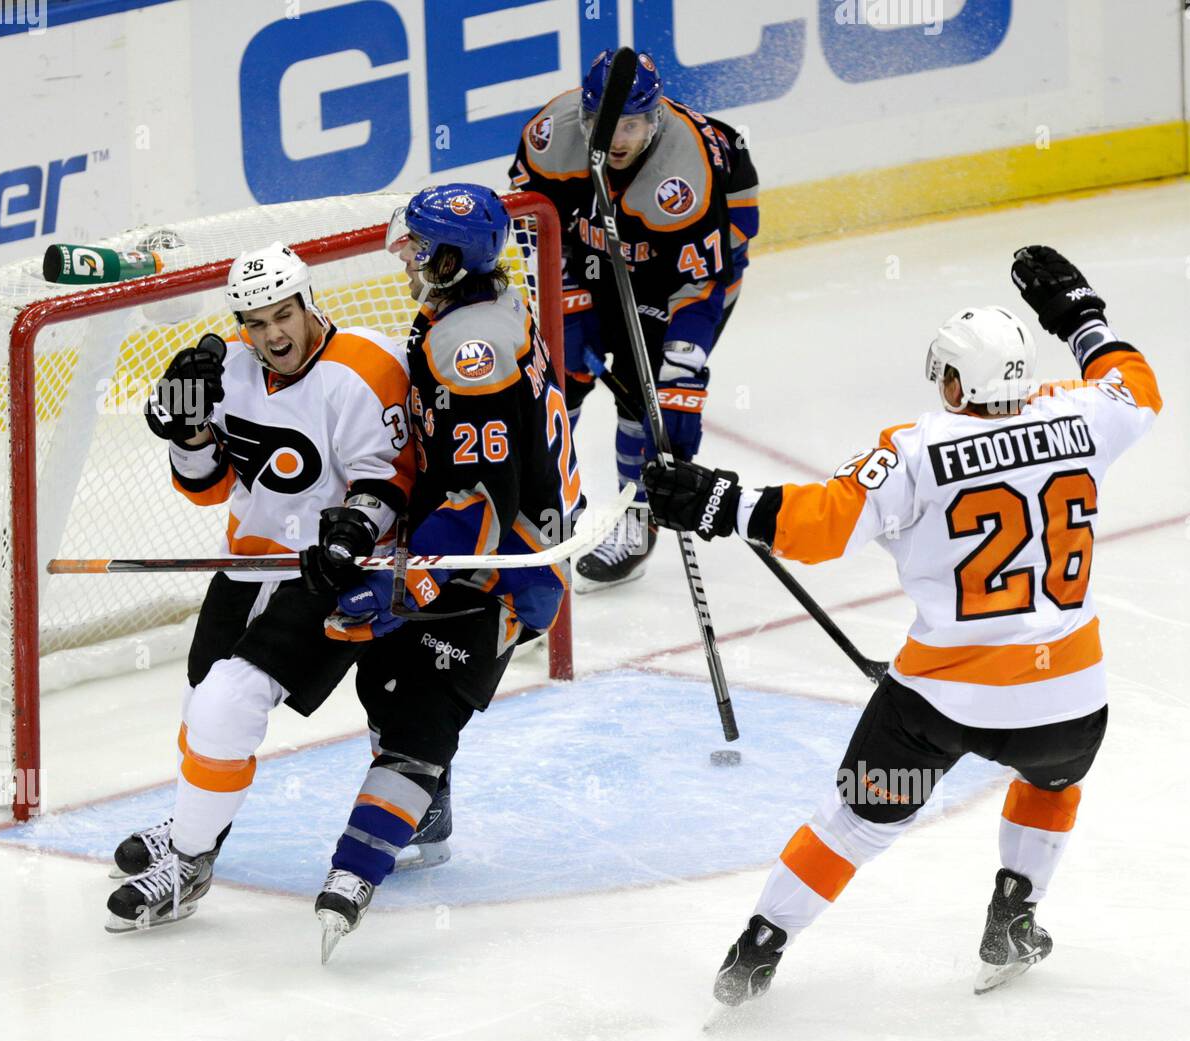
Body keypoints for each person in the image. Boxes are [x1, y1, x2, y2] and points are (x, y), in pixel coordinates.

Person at [643, 247, 1161, 1003]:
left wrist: (716, 503)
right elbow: (1136, 387)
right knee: (1052, 785)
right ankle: (1014, 920)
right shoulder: (1083, 416)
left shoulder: (914, 451)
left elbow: (818, 528)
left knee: (852, 825)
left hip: (935, 710)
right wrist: (1080, 313)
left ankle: (758, 950)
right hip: (1070, 704)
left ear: (955, 382)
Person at [105, 242, 415, 932]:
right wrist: (187, 433)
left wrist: (350, 534)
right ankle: (195, 825)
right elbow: (206, 485)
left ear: (308, 303)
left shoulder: (366, 365)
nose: (274, 334)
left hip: (328, 573)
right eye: (256, 321)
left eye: (284, 314)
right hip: (246, 565)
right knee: (199, 712)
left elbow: (390, 478)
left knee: (224, 705)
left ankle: (187, 862)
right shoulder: (232, 372)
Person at [311, 183, 585, 959]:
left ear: (447, 257)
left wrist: (411, 579)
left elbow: (482, 501)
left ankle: (356, 869)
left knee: (421, 716)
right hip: (481, 540)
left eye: (413, 248)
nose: (402, 259)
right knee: (384, 674)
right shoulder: (479, 305)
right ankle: (425, 810)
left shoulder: (472, 347)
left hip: (505, 566)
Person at [510, 48, 758, 591]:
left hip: (675, 276)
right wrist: (566, 304)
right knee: (559, 382)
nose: (617, 138)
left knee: (642, 404)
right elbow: (533, 226)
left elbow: (700, 287)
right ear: (585, 115)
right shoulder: (552, 137)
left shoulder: (683, 178)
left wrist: (682, 386)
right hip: (590, 258)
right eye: (605, 123)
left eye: (632, 124)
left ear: (655, 118)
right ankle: (544, 508)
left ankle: (637, 517)